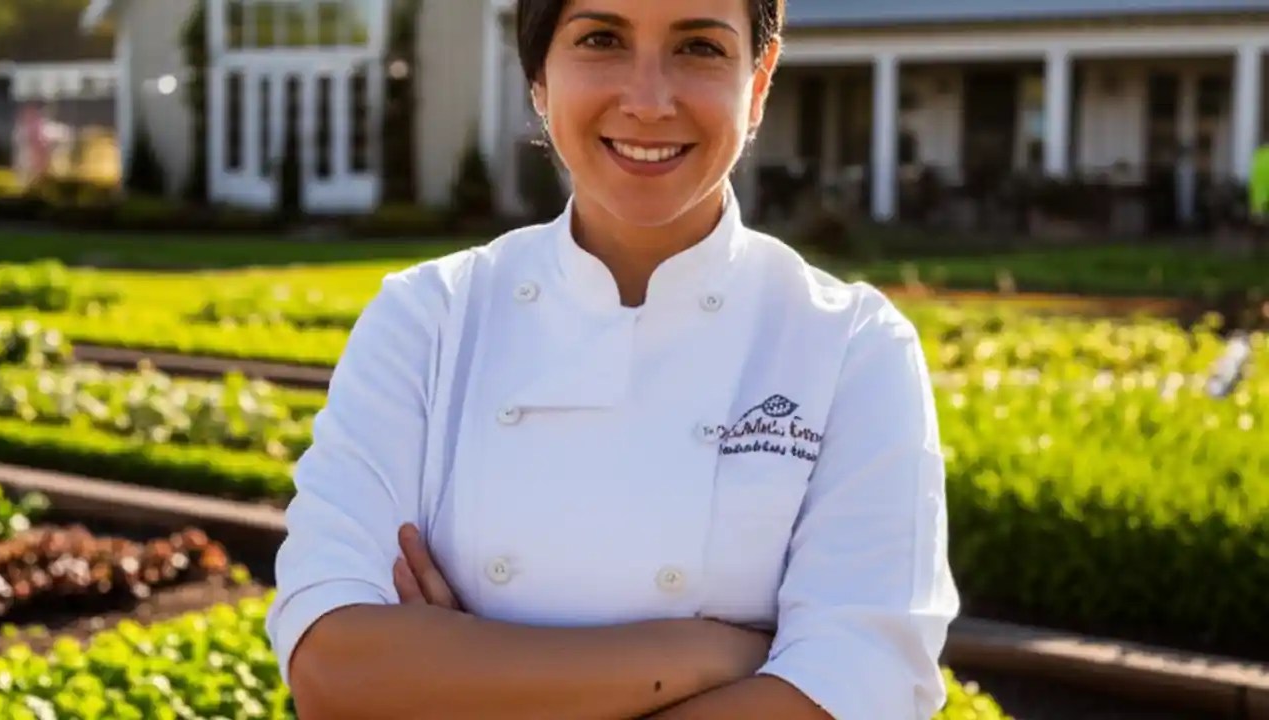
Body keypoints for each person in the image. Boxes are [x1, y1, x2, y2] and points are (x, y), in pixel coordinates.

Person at [266, 0, 960, 717]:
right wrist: (718, 654)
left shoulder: (852, 346)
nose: (649, 100)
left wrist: (454, 677)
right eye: (601, 39)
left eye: (699, 48)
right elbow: (333, 668)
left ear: (757, 84)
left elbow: (862, 685)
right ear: (539, 78)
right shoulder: (427, 319)